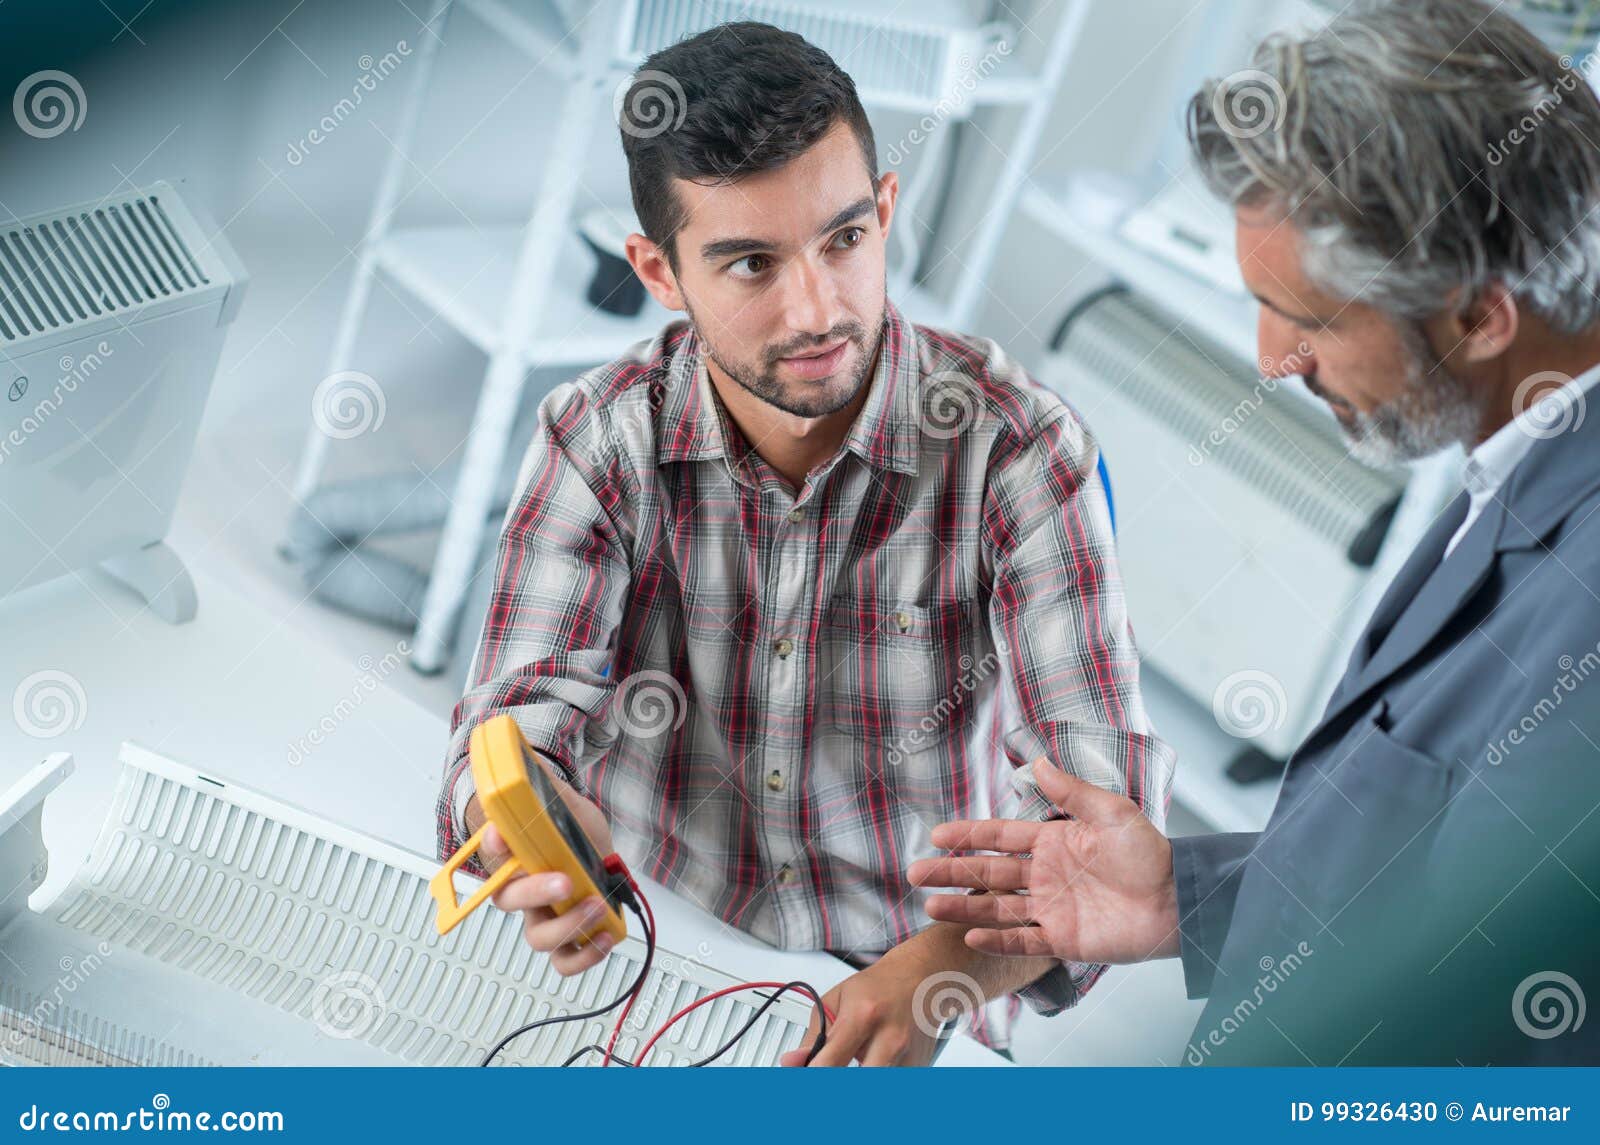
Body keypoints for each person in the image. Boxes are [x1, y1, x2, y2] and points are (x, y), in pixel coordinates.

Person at [435, 21, 1175, 1065]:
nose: (818, 307)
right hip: (664, 961)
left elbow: (1105, 809)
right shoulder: (597, 436)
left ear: (884, 211)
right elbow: (504, 724)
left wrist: (943, 967)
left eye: (843, 239)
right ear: (658, 270)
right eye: (749, 263)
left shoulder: (1018, 448)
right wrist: (527, 824)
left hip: (923, 984)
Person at [912, 0, 1600, 1065]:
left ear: (1477, 314)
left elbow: (1489, 1052)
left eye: (1313, 318)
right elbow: (1417, 881)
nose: (1273, 358)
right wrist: (1186, 897)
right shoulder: (1530, 447)